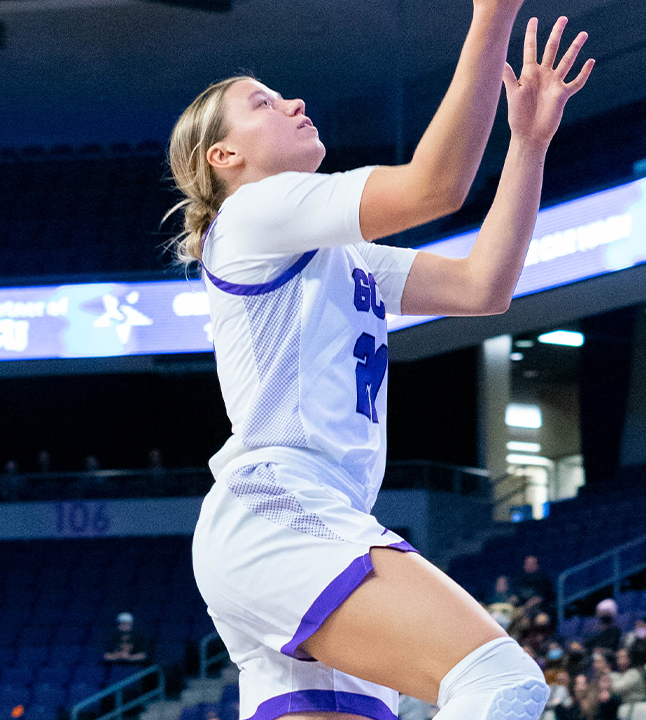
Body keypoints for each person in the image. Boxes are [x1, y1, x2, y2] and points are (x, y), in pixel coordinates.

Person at [175, 12, 595, 716]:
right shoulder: (254, 212)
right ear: (225, 158)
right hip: (284, 511)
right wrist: (490, 21)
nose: (294, 103)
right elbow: (437, 187)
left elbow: (481, 286)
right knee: (500, 682)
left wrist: (528, 144)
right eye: (264, 103)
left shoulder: (338, 251)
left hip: (287, 527)